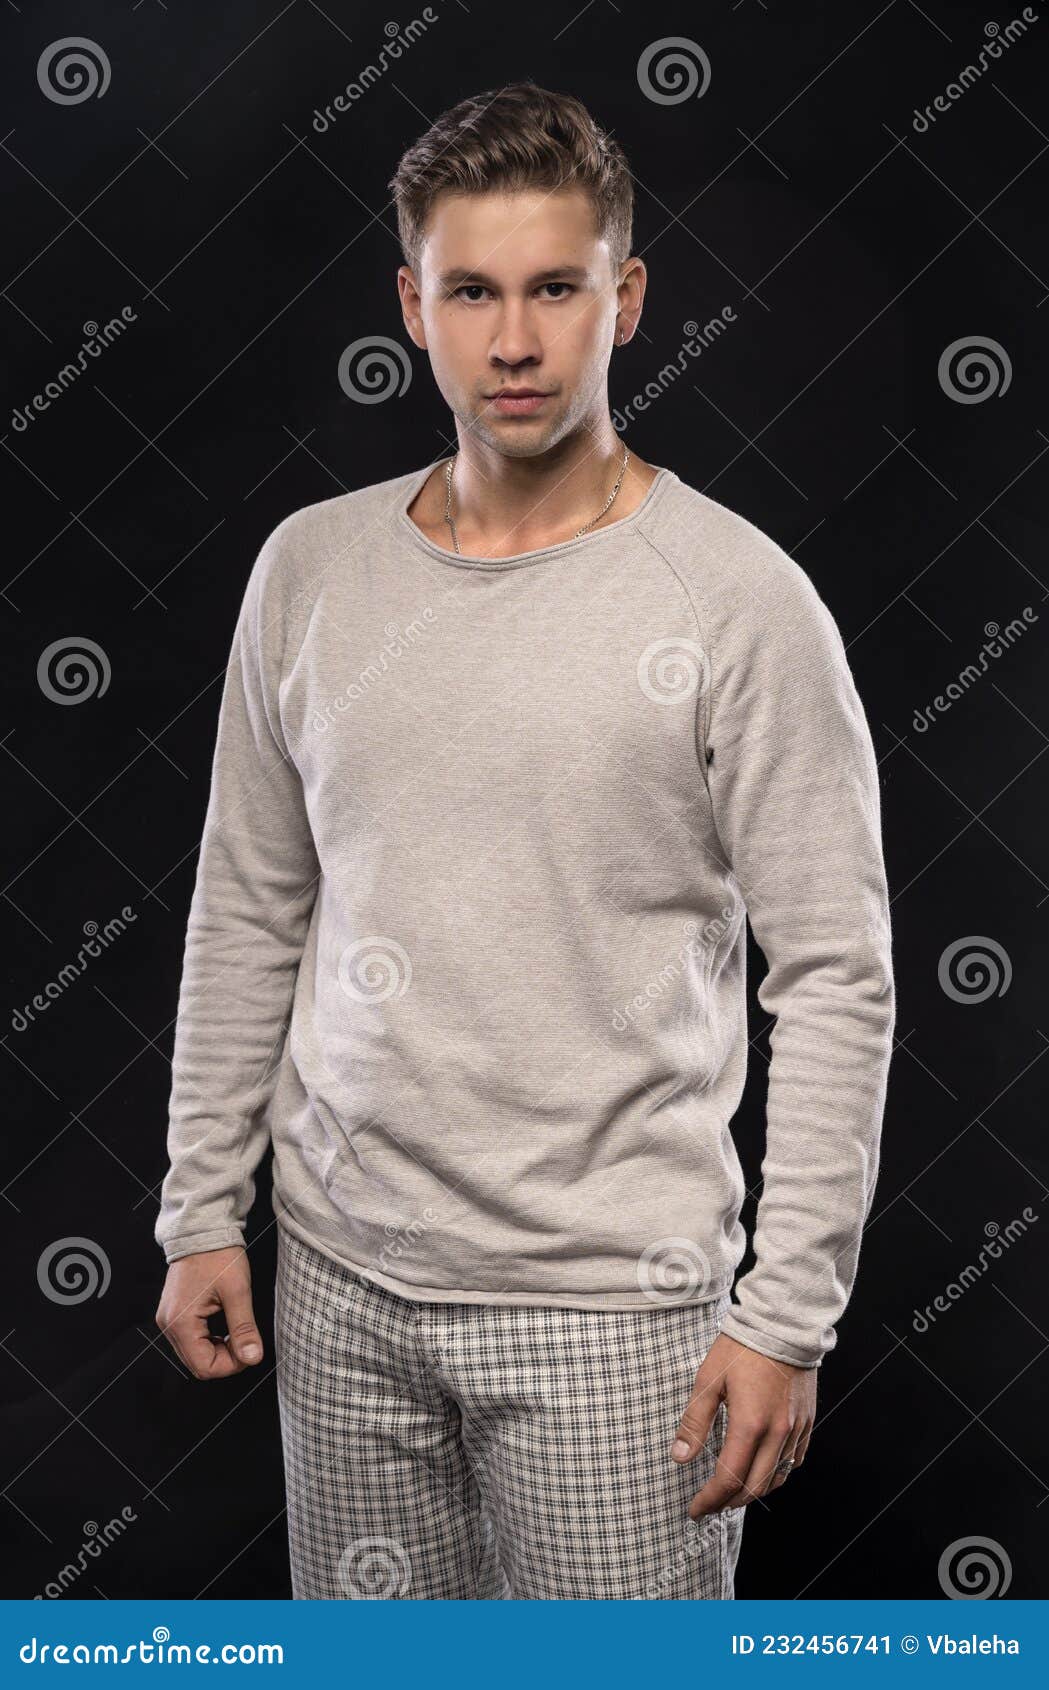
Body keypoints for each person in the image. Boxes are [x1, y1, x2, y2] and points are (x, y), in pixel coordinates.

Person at [154, 81, 895, 1601]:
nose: (512, 341)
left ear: (627, 300)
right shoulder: (309, 572)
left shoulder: (737, 600)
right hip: (344, 1286)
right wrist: (197, 1207)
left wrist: (787, 1316)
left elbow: (835, 970)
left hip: (614, 1307)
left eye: (556, 288)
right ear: (409, 307)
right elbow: (248, 906)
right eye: (470, 292)